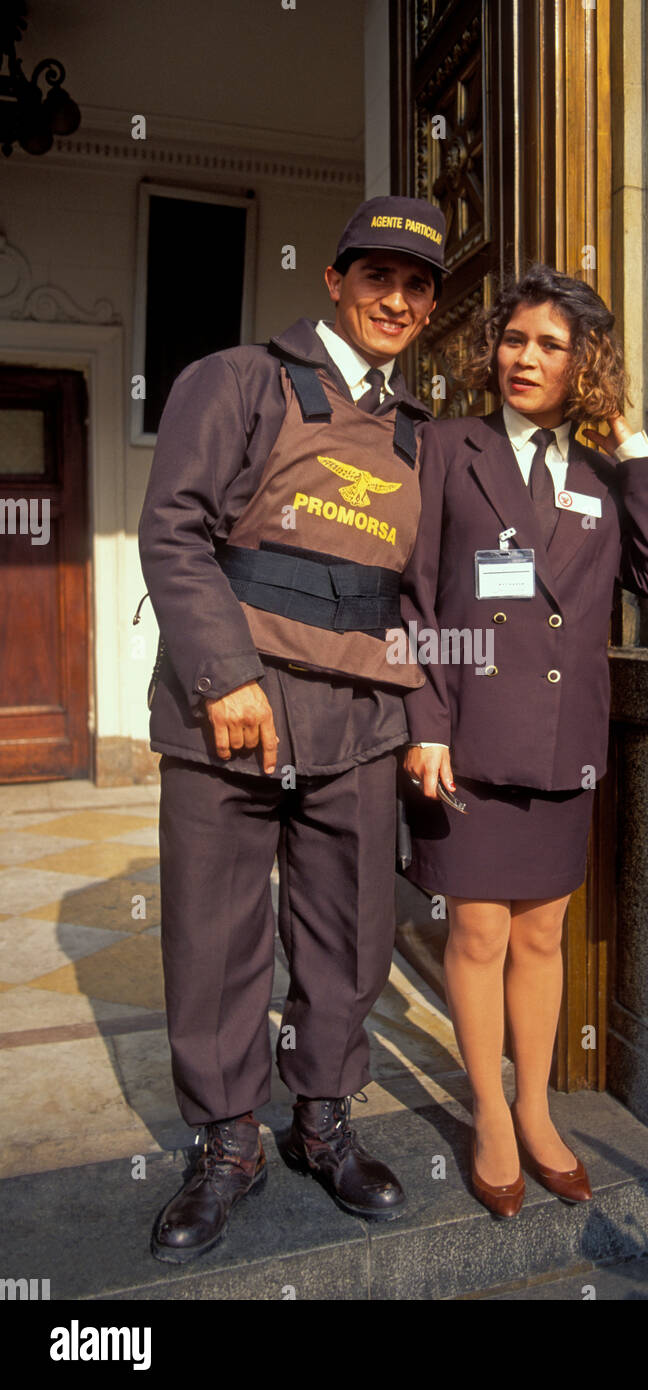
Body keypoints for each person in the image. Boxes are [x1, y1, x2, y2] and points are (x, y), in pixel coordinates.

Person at [138, 196, 448, 1262]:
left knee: (351, 936)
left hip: (359, 717)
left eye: (416, 285)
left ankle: (321, 1121)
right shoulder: (234, 379)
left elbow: (421, 593)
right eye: (375, 275)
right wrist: (224, 674)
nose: (394, 298)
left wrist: (422, 714)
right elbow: (171, 528)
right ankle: (227, 1141)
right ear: (334, 278)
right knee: (216, 936)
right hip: (232, 707)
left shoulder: (417, 432)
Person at [400, 264, 648, 1217]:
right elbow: (417, 592)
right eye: (514, 339)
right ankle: (487, 1112)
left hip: (564, 739)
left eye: (551, 346)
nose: (525, 358)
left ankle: (536, 1105)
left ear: (584, 364)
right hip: (468, 734)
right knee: (478, 931)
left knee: (542, 932)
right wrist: (426, 724)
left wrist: (633, 441)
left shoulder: (604, 473)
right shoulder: (447, 446)